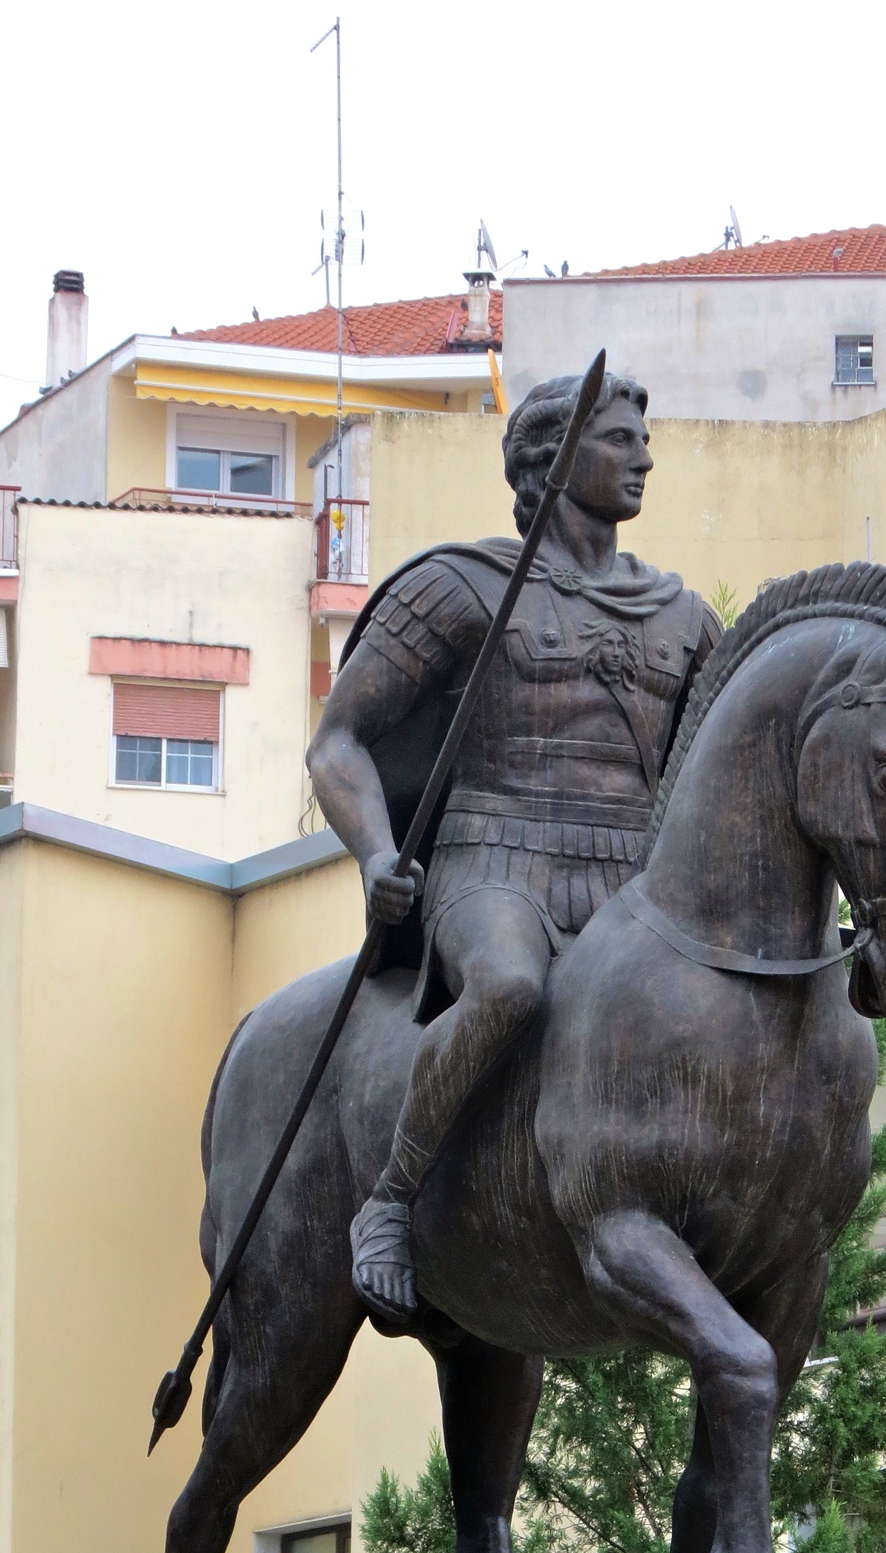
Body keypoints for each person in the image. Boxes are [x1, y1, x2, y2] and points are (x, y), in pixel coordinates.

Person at [308, 371, 721, 1328]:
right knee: (510, 988)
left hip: (632, 881)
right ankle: (392, 1198)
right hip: (493, 859)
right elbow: (339, 740)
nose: (645, 457)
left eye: (642, 439)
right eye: (620, 438)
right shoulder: (461, 587)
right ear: (552, 457)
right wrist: (375, 856)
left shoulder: (684, 617)